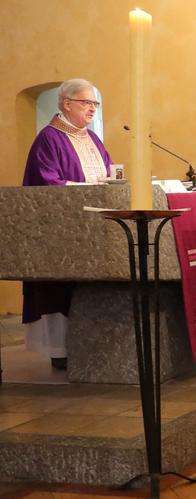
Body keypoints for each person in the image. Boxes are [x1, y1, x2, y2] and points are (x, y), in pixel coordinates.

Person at [22, 79, 114, 370]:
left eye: (95, 104)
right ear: (66, 104)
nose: (92, 110)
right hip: (62, 235)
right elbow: (47, 184)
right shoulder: (49, 139)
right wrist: (87, 190)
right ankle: (60, 349)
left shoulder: (93, 139)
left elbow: (109, 176)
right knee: (60, 288)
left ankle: (92, 345)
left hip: (95, 229)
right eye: (86, 103)